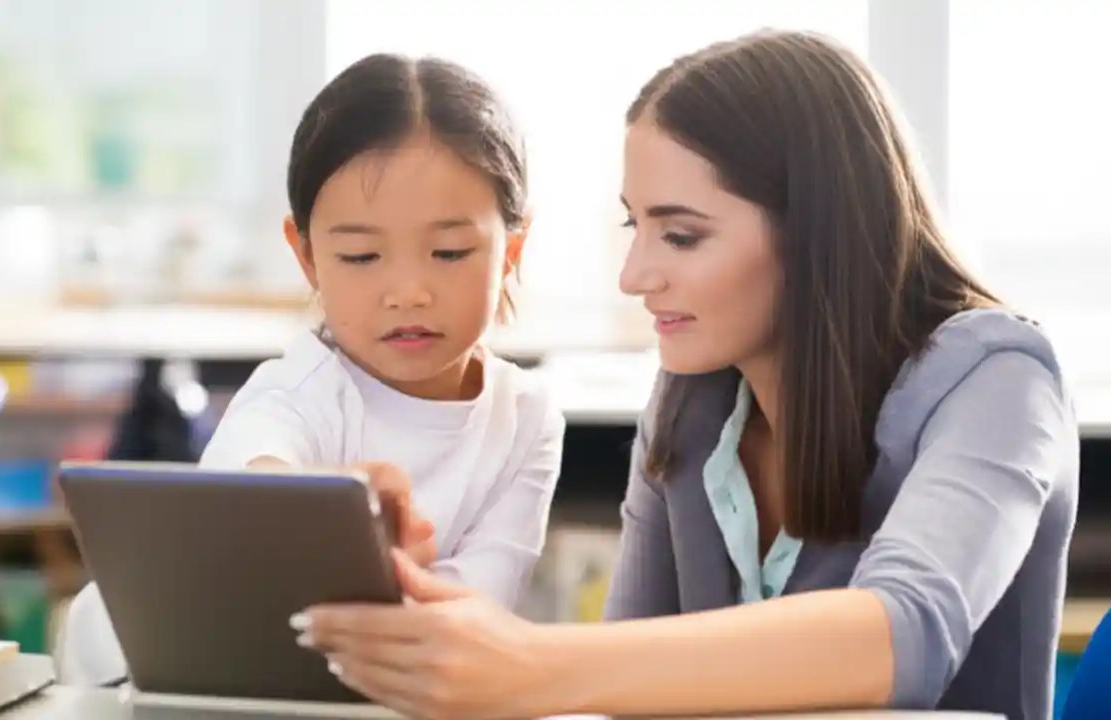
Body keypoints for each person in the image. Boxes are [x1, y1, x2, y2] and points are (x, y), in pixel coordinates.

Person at [294, 30, 1079, 720]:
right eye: (637, 226)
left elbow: (903, 636)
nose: (636, 275)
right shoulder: (694, 401)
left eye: (681, 235)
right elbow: (631, 681)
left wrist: (526, 663)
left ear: (815, 232)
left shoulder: (996, 380)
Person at [58, 53, 566, 687]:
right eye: (360, 255)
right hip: (136, 671)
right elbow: (245, 490)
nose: (407, 290)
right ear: (308, 258)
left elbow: (478, 612)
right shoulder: (295, 392)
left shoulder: (528, 417)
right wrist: (333, 509)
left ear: (511, 252)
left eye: (449, 251)